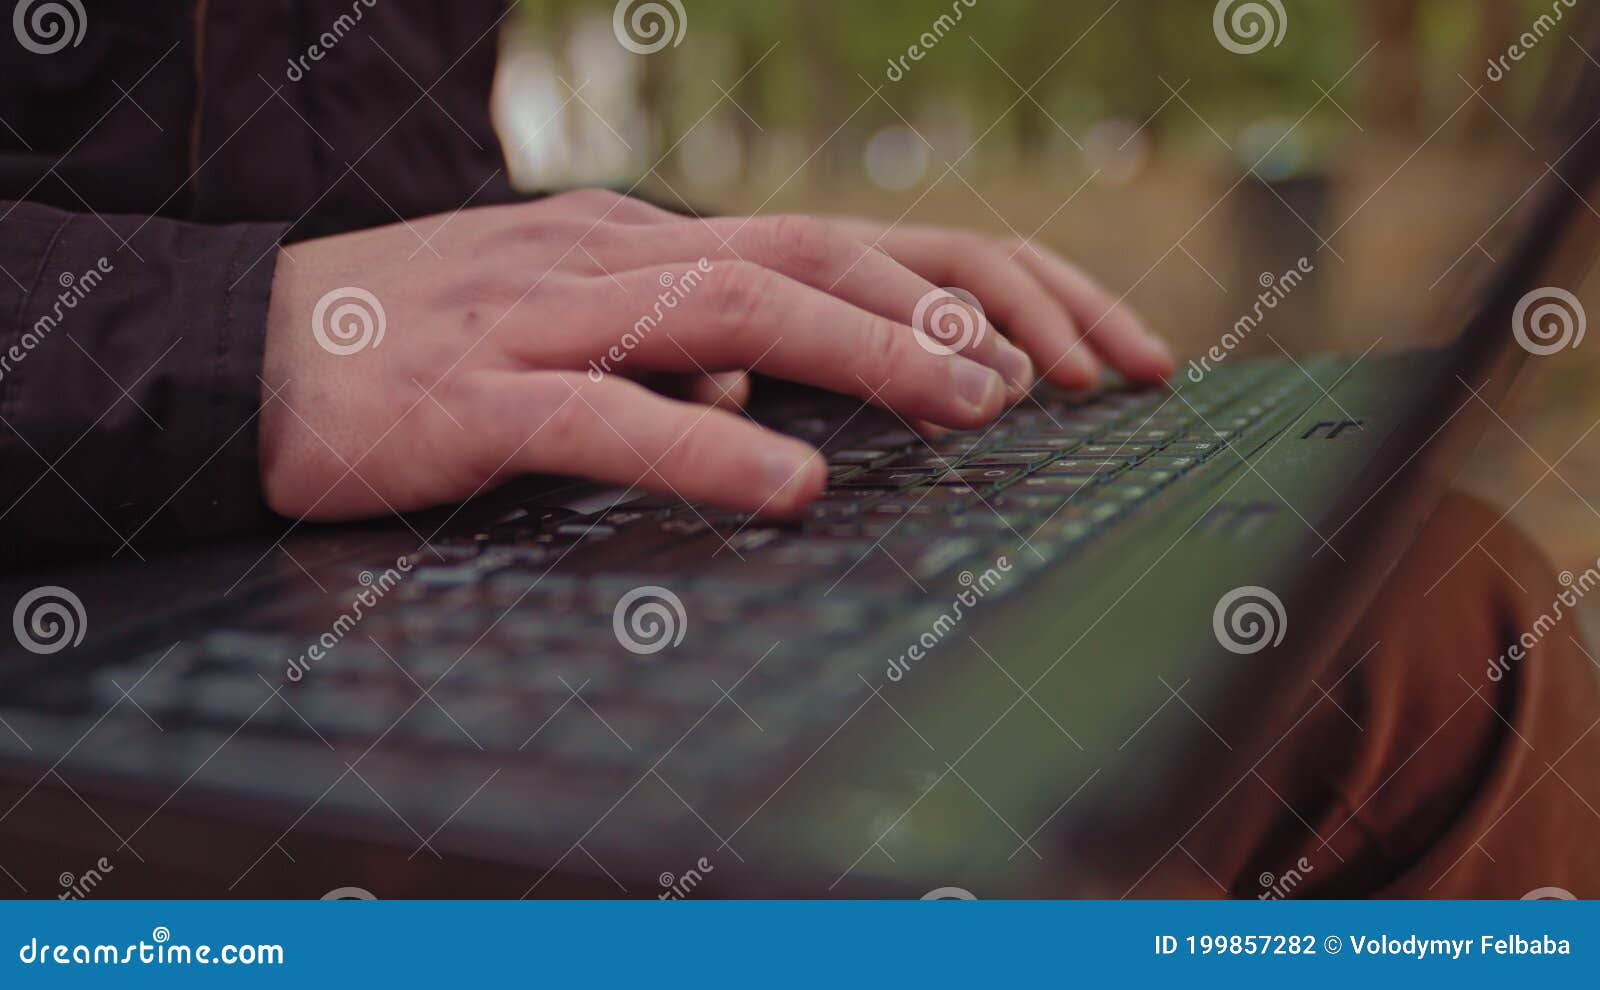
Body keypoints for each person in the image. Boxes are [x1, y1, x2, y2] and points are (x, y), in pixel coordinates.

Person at [1, 2, 1596, 898]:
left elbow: (394, 195)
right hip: (79, 567)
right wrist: (251, 345)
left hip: (362, 560)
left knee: (1414, 628)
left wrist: (714, 284)